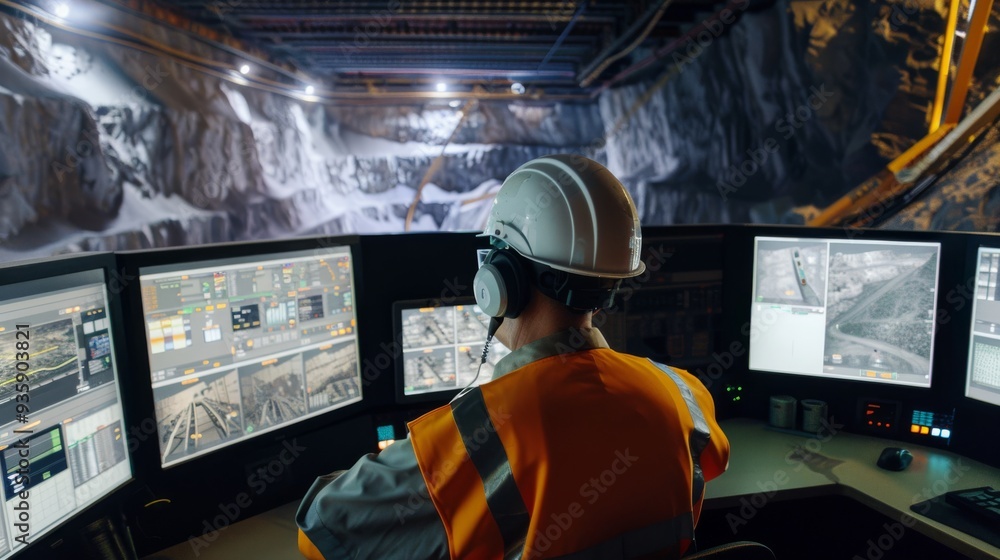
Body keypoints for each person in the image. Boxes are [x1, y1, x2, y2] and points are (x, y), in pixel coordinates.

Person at [296, 154, 730, 559]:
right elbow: (716, 459)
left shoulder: (482, 430)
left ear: (502, 276)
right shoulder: (681, 391)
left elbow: (320, 529)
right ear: (608, 288)